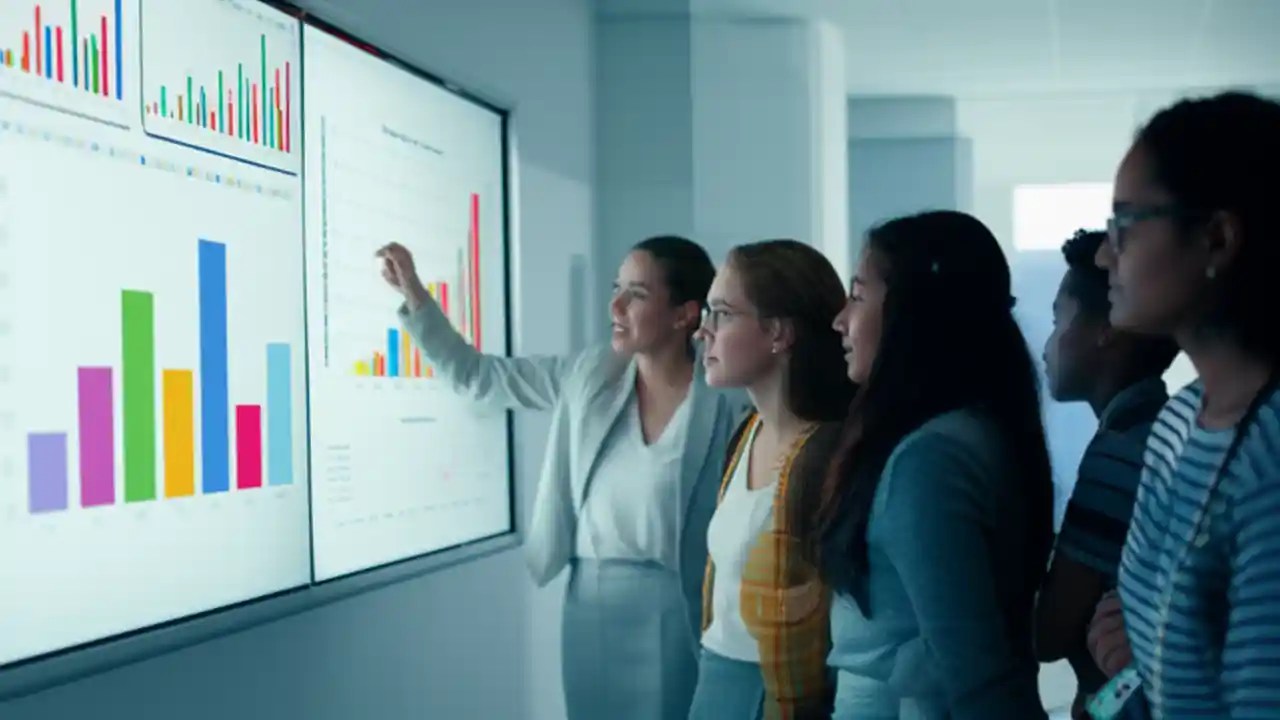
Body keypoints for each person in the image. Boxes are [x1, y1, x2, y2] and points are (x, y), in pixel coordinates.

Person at [377, 236, 748, 720]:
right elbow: (478, 377)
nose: (614, 305)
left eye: (636, 294)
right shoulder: (589, 377)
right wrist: (417, 300)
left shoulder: (726, 401)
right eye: (617, 289)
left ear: (684, 314)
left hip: (679, 605)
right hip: (590, 607)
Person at [797, 211, 1055, 719]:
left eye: (858, 295)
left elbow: (977, 677)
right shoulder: (964, 432)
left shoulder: (931, 459)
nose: (840, 320)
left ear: (911, 313)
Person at [1085, 91, 1280, 718]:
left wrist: (1139, 654)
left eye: (1124, 224)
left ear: (1217, 238)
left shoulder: (1270, 458)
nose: (1102, 254)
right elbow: (1135, 642)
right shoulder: (1175, 423)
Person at [686, 240, 854, 720]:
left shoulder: (826, 453)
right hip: (714, 678)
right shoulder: (748, 431)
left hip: (775, 694)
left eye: (721, 313)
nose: (703, 332)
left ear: (778, 333)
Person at [1034, 229, 1179, 718]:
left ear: (1106, 329)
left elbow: (1050, 630)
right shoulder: (1155, 427)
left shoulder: (1120, 451)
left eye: (1060, 320)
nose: (1048, 344)